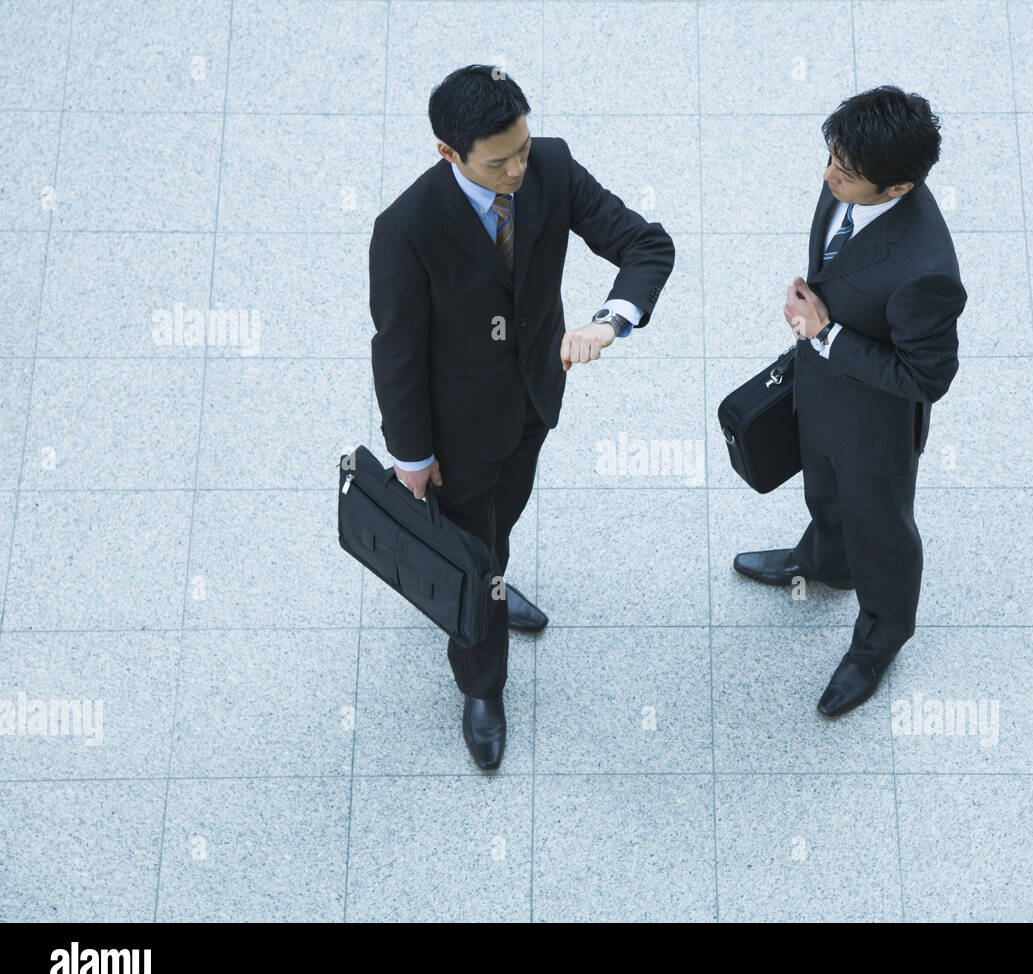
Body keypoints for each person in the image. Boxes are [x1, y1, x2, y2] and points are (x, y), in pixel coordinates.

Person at [369, 65, 674, 769]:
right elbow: (397, 354)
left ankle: (495, 575)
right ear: (449, 154)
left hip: (535, 398)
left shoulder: (552, 164)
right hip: (456, 434)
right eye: (497, 161)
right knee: (474, 562)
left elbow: (645, 245)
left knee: (500, 520)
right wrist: (412, 456)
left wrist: (609, 322)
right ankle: (482, 683)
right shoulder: (405, 230)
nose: (516, 169)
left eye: (522, 150)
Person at [734, 85, 967, 718]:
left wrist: (825, 334)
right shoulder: (852, 170)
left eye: (845, 171)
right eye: (831, 157)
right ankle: (826, 563)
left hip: (875, 428)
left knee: (882, 534)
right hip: (822, 392)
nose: (828, 175)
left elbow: (927, 377)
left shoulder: (927, 272)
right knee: (824, 493)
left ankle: (877, 642)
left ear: (896, 189)